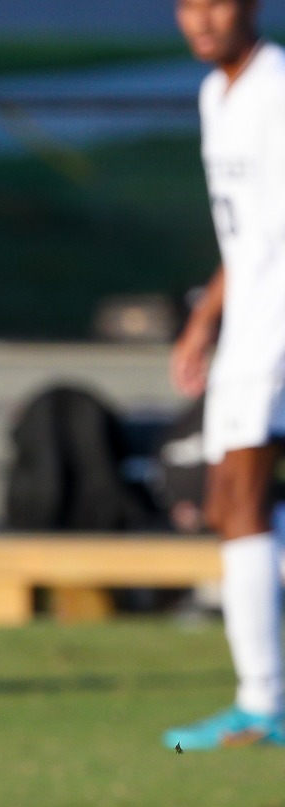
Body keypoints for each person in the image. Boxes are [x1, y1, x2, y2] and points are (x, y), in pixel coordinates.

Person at [165, 0, 285, 749]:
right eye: (187, 6)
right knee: (230, 503)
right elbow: (245, 229)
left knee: (239, 495)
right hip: (248, 323)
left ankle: (261, 702)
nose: (202, 20)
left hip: (276, 326)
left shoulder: (277, 86)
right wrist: (207, 317)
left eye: (216, 2)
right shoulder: (217, 94)